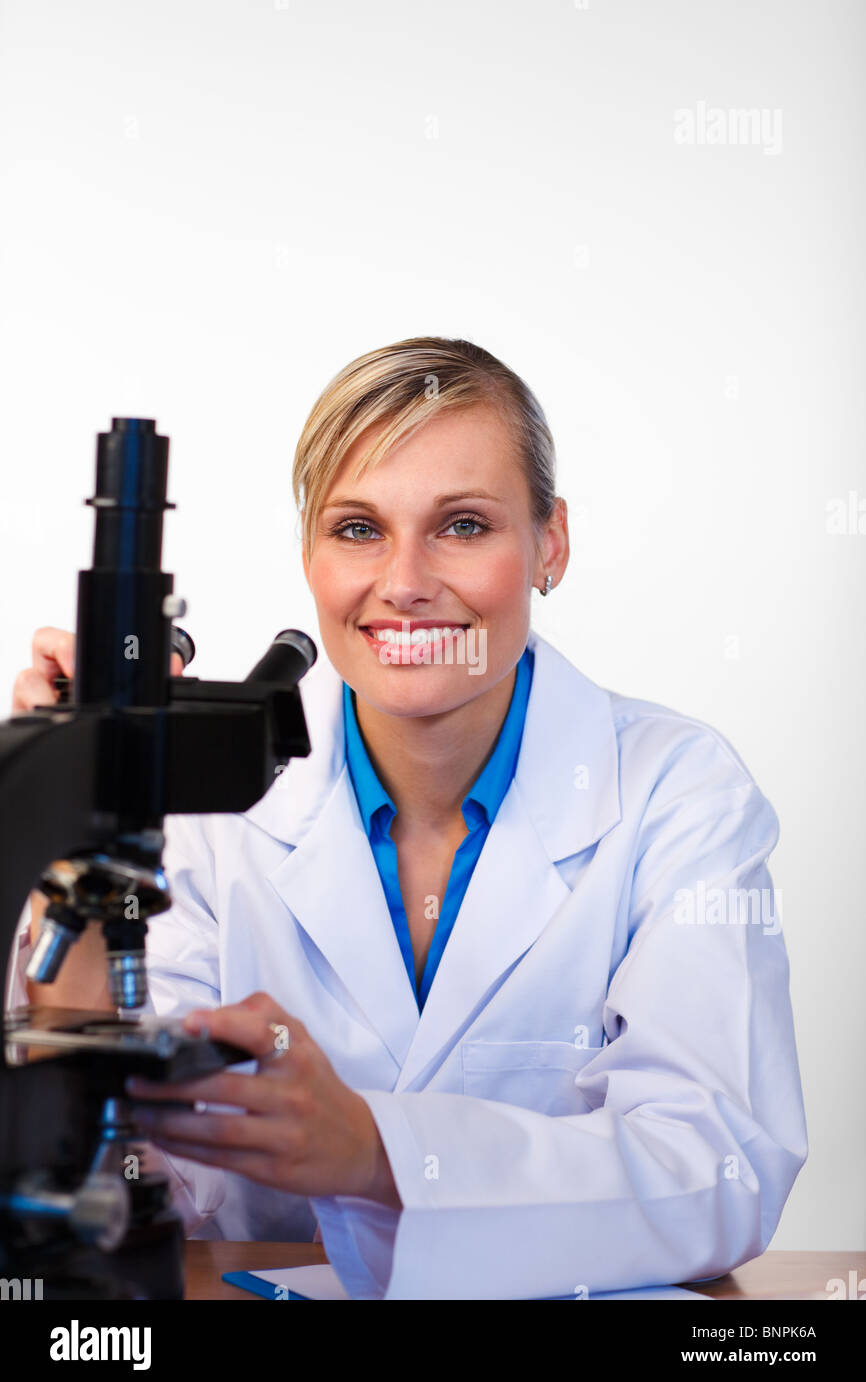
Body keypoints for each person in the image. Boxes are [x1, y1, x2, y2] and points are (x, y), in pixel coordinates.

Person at [8, 336, 808, 1300]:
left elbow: (717, 1169)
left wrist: (376, 1154)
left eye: (463, 525)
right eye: (358, 529)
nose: (405, 581)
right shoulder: (212, 800)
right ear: (309, 554)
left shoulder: (676, 790)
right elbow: (135, 1169)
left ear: (549, 542)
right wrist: (69, 817)